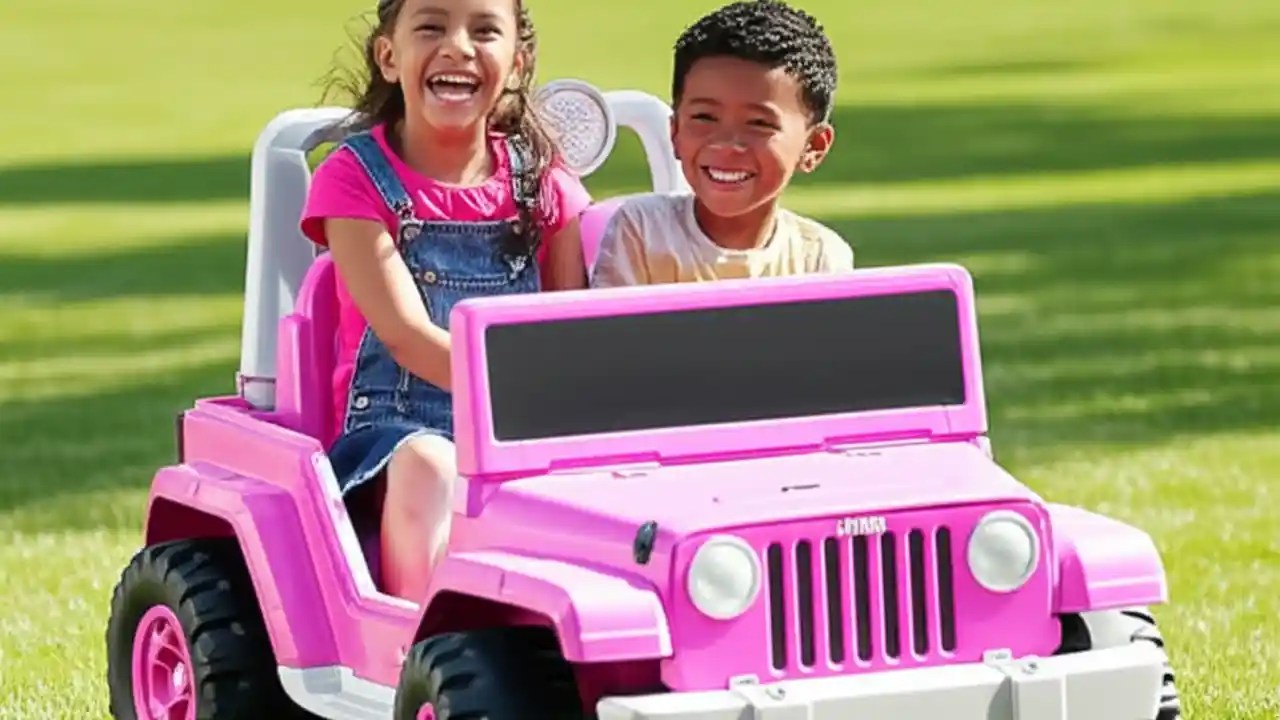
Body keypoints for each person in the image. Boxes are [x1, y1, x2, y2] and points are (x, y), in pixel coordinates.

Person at [300, 0, 591, 600]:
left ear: (517, 63)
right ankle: (419, 646)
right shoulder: (353, 177)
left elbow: (569, 326)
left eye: (484, 31)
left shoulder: (544, 184)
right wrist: (513, 398)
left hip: (521, 423)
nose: (458, 46)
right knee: (432, 463)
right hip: (392, 435)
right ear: (389, 55)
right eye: (431, 27)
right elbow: (405, 338)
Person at [590, 0, 852, 287]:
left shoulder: (819, 258)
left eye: (759, 123)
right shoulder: (641, 232)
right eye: (704, 117)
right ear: (675, 131)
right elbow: (612, 331)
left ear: (813, 146)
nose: (726, 145)